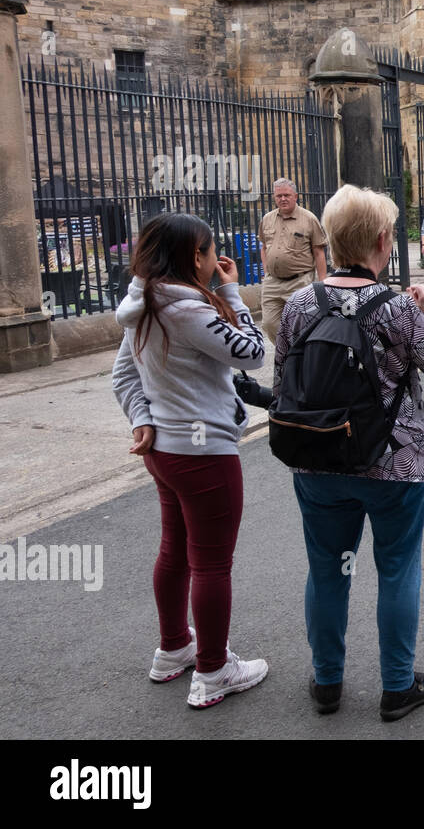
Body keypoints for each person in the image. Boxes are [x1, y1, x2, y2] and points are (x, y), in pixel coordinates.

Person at [275, 184, 424, 721]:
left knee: (327, 572)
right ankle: (397, 687)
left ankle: (328, 682)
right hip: (393, 462)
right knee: (398, 568)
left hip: (317, 457)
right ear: (383, 240)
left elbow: (282, 379)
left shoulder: (298, 304)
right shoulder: (398, 309)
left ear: (330, 238)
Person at [111, 213, 269, 709]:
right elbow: (251, 353)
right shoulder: (187, 310)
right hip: (203, 454)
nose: (213, 258)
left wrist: (143, 419)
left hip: (164, 452)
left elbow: (122, 377)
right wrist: (236, 293)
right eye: (208, 251)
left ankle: (175, 647)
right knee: (212, 563)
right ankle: (214, 671)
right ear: (192, 257)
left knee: (176, 552)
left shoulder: (143, 303)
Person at [258, 178, 327, 347]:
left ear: (295, 196)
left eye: (287, 195)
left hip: (299, 281)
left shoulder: (309, 219)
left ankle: (299, 355)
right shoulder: (267, 219)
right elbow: (264, 247)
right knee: (268, 323)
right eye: (279, 196)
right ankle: (288, 351)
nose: (283, 199)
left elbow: (318, 252)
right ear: (274, 197)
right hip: (272, 282)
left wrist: (323, 282)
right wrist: (266, 271)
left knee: (302, 323)